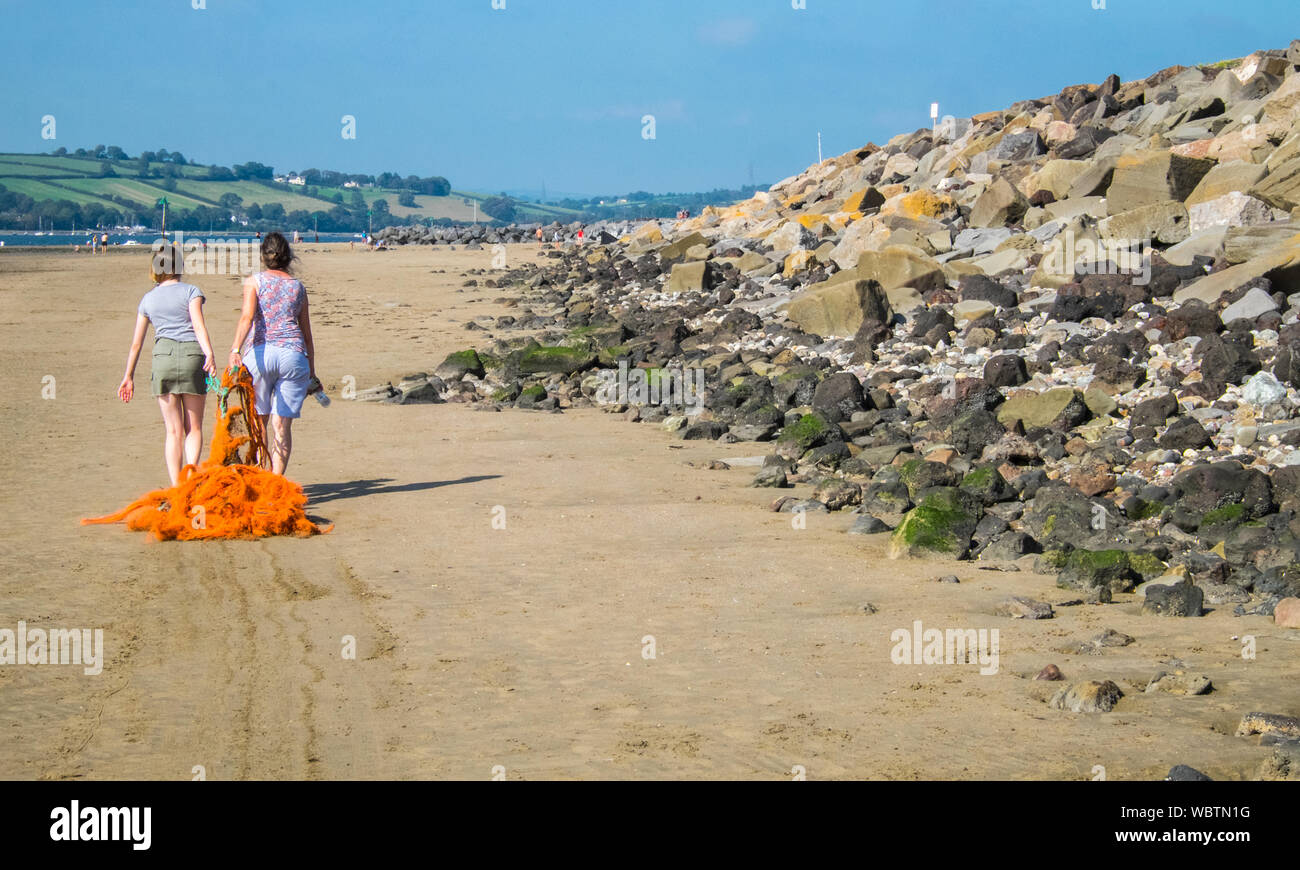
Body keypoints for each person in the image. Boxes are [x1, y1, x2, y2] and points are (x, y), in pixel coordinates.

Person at [117, 241, 216, 486]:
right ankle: (191, 477)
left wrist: (128, 375)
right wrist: (210, 354)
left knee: (173, 431)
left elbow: (136, 344)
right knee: (193, 427)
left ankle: (177, 487)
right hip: (193, 357)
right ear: (179, 266)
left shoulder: (147, 300)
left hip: (163, 360)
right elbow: (198, 326)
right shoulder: (192, 291)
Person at [228, 232, 317, 476]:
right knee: (282, 425)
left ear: (264, 256)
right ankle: (275, 482)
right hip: (294, 356)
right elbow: (307, 333)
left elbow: (247, 318)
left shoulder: (254, 281)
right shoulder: (298, 287)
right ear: (288, 256)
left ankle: (259, 476)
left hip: (260, 355)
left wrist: (235, 349)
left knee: (260, 422)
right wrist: (312, 371)